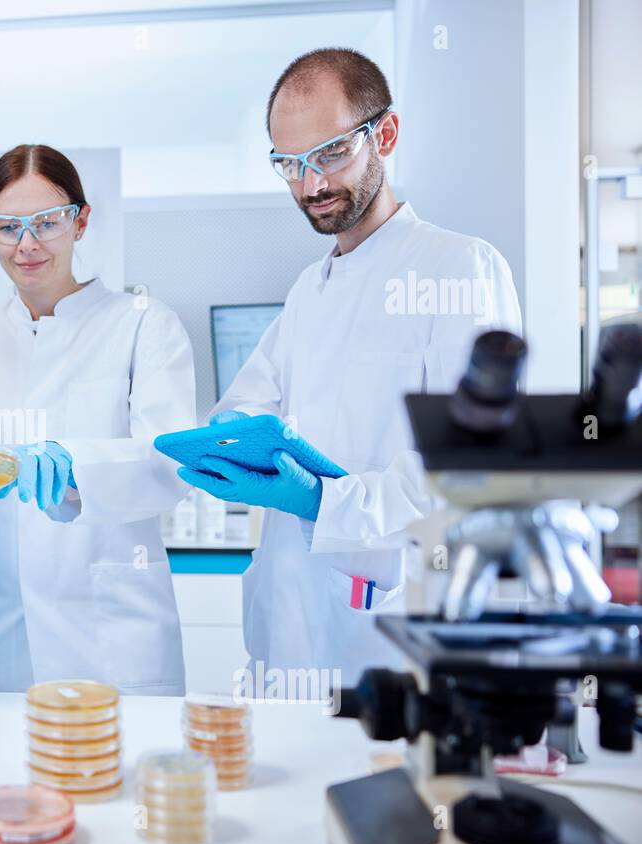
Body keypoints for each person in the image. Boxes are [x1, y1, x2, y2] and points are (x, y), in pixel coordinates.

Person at [176, 49, 522, 683]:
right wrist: (240, 443)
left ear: (384, 134)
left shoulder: (458, 269)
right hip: (285, 632)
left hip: (386, 631)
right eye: (289, 164)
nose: (311, 185)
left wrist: (326, 501)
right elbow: (246, 402)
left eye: (330, 154)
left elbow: (471, 468)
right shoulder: (311, 287)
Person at [0, 144, 197, 696]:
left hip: (106, 621)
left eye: (47, 223)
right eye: (7, 227)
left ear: (80, 221)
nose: (26, 244)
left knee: (108, 771)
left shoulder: (143, 325)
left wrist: (74, 465)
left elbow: (170, 461)